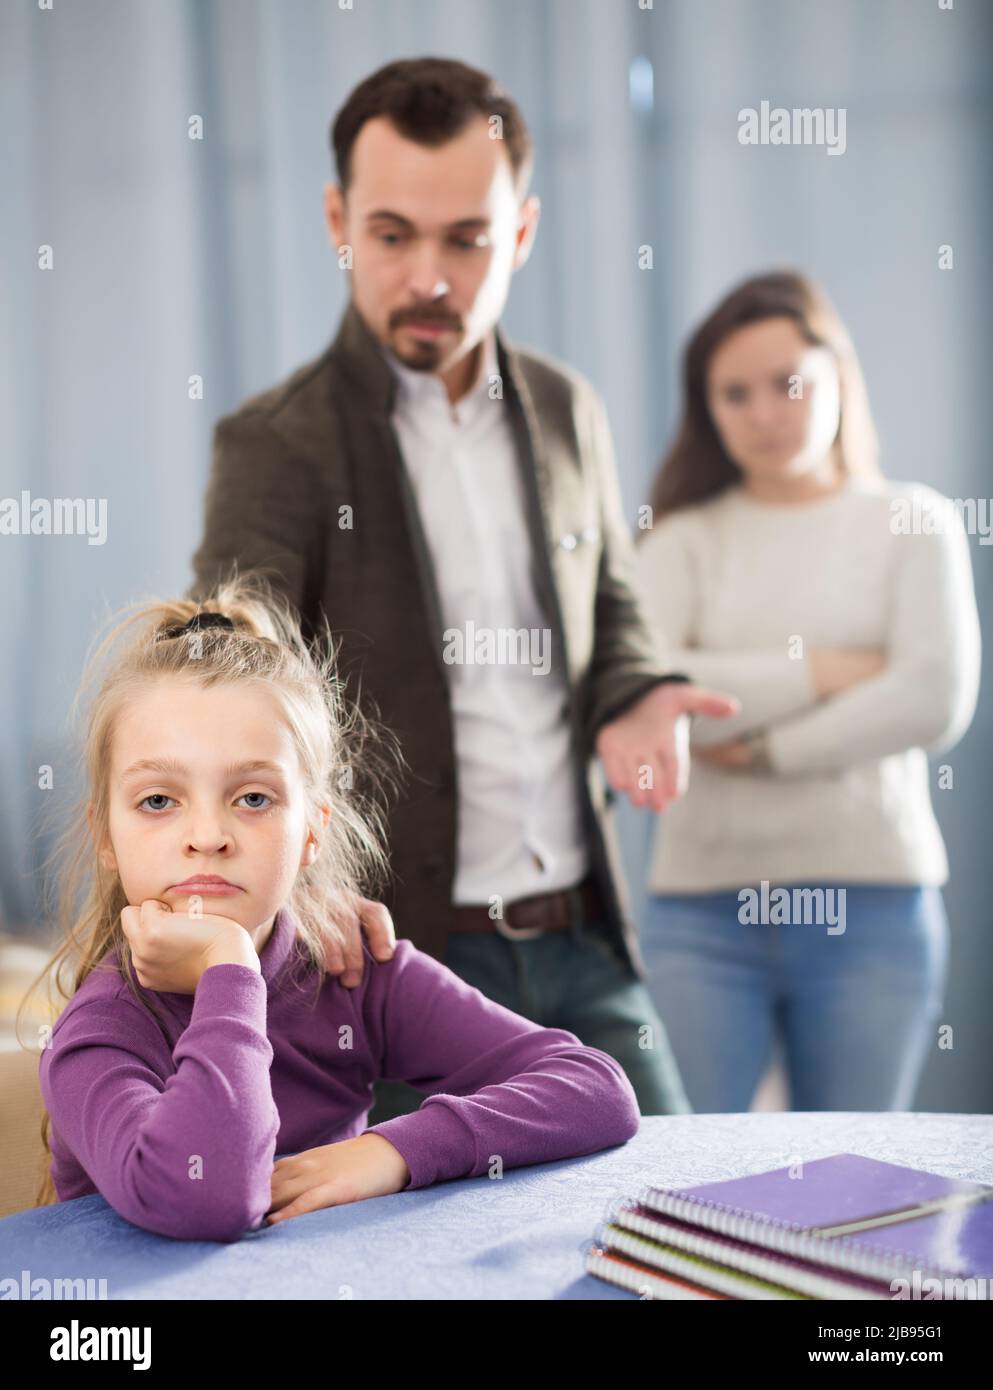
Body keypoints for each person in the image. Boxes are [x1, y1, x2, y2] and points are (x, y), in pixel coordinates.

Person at [188, 57, 737, 1121]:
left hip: (583, 934)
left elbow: (611, 605)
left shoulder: (571, 410)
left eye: (467, 239)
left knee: (678, 1230)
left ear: (521, 233)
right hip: (396, 964)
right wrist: (297, 876)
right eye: (392, 235)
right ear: (339, 219)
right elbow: (231, 681)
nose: (429, 276)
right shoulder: (274, 443)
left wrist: (638, 692)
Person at [27, 576, 642, 1241]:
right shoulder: (102, 1028)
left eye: (253, 798)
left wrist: (391, 1152)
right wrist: (228, 973)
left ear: (313, 829)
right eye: (158, 801)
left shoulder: (351, 973)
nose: (207, 835)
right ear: (104, 837)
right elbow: (207, 1199)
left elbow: (594, 1089)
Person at [633, 269, 981, 1112]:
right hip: (701, 915)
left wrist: (765, 747)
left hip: (873, 910)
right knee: (688, 1177)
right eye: (734, 393)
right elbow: (651, 692)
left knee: (852, 1182)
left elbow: (931, 697)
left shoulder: (913, 519)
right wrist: (824, 671)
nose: (763, 413)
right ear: (706, 407)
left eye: (788, 385)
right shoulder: (678, 538)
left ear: (838, 380)